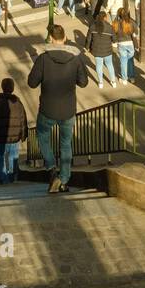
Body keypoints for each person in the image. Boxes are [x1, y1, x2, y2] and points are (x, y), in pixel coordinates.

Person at [27, 25, 88, 194]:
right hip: (68, 109)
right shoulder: (75, 58)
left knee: (42, 135)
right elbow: (83, 82)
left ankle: (51, 167)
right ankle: (64, 179)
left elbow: (32, 83)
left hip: (47, 108)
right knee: (66, 143)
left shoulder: (43, 59)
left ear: (51, 39)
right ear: (65, 38)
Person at [0, 76, 27, 185]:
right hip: (14, 138)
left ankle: (2, 178)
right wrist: (23, 135)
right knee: (13, 158)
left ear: (2, 88)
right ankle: (12, 177)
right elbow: (23, 120)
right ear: (12, 88)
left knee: (0, 158)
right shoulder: (18, 103)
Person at [90, 16, 118, 90]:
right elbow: (114, 38)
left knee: (99, 66)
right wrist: (113, 41)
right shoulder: (109, 27)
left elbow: (89, 38)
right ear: (105, 18)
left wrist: (88, 47)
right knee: (110, 65)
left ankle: (100, 83)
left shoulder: (93, 26)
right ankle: (113, 82)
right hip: (107, 50)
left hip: (96, 50)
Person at [115, 14, 137, 84]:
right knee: (130, 61)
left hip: (121, 44)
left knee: (123, 62)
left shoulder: (117, 23)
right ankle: (132, 77)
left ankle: (124, 79)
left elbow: (114, 33)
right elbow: (136, 31)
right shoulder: (130, 22)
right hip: (130, 44)